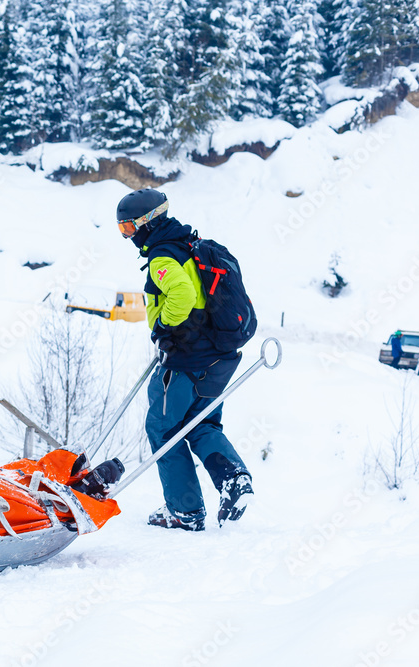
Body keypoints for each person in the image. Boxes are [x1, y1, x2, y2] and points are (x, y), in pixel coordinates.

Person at [116, 188, 252, 531]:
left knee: (163, 428)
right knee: (202, 423)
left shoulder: (163, 257)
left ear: (146, 222)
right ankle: (234, 480)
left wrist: (163, 325)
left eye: (128, 229)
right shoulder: (190, 245)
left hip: (185, 362)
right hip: (219, 356)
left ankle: (184, 511)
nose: (127, 236)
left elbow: (183, 293)